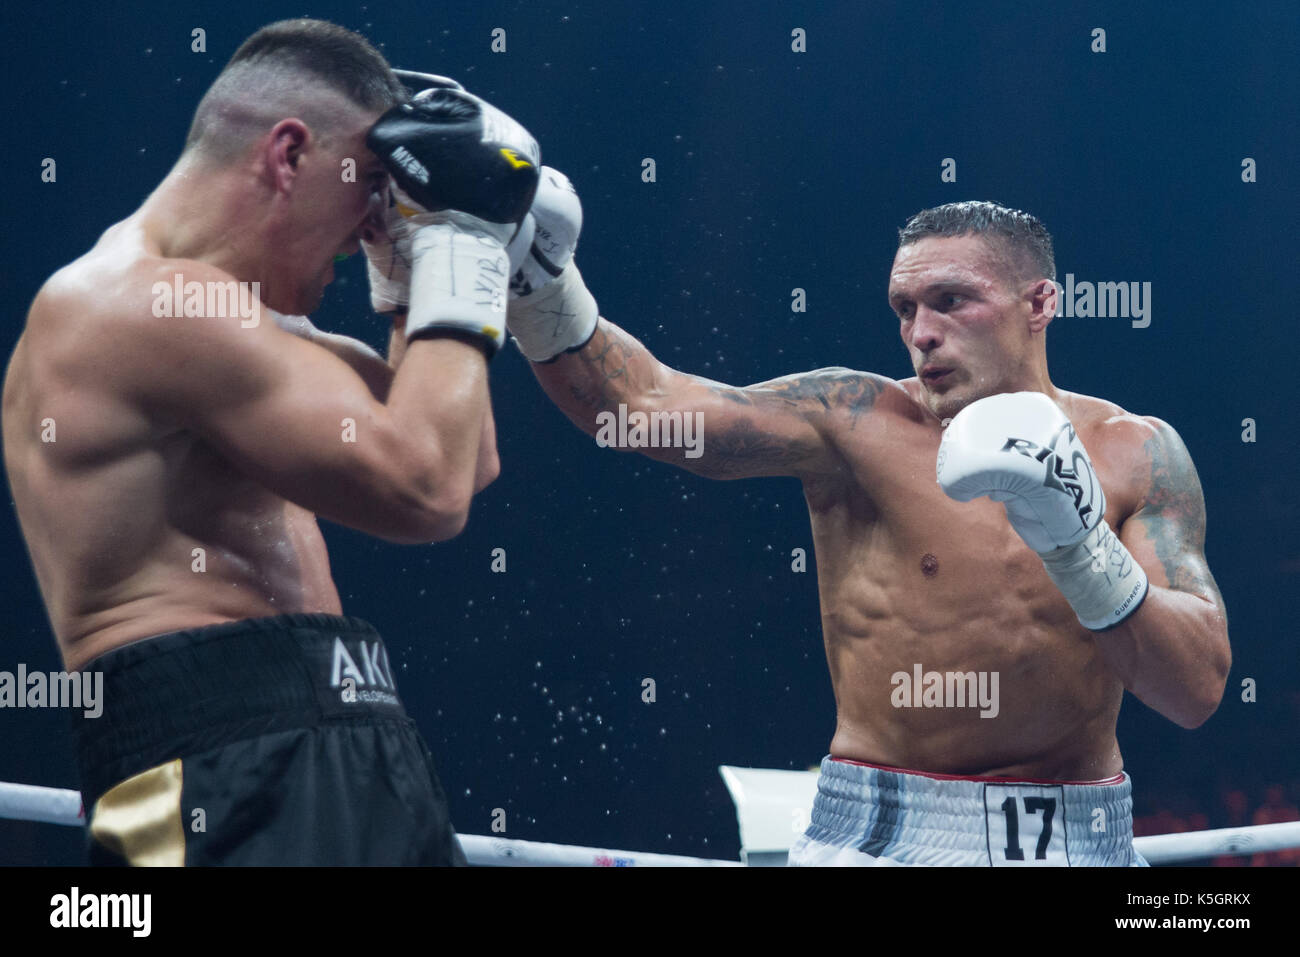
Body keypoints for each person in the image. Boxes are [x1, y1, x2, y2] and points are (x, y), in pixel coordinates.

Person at [505, 185, 1232, 865]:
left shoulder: (1134, 451)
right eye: (905, 308)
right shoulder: (854, 421)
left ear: (1039, 302)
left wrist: (1081, 543)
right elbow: (644, 410)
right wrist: (542, 282)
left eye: (951, 301)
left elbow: (1194, 689)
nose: (921, 332)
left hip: (1082, 837)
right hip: (886, 834)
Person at [2, 18, 538, 864]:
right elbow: (426, 486)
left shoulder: (248, 329)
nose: (377, 225)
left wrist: (413, 268)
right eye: (372, 194)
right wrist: (461, 245)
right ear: (289, 155)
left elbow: (466, 457)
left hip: (348, 744)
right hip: (211, 770)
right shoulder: (131, 304)